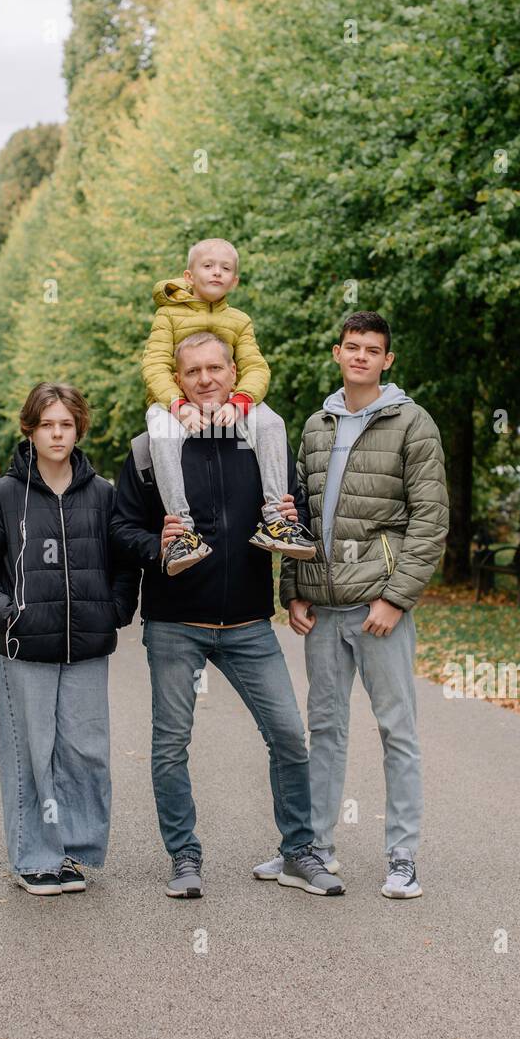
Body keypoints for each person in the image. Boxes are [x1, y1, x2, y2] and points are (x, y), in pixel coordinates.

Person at [111, 332, 344, 900]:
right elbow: (120, 530)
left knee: (290, 736)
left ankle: (297, 851)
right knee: (170, 746)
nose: (207, 379)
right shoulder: (151, 447)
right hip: (174, 621)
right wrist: (156, 546)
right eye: (193, 371)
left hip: (247, 622)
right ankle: (184, 857)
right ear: (178, 379)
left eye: (216, 368)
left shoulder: (261, 439)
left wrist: (292, 545)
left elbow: (291, 522)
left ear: (235, 371)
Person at [257, 311, 448, 899]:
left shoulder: (413, 424)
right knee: (325, 729)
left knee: (397, 730)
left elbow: (431, 521)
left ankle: (402, 858)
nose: (361, 356)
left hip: (379, 607)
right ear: (337, 353)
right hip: (324, 606)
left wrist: (396, 597)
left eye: (373, 349)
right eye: (352, 347)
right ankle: (315, 848)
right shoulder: (316, 425)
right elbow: (300, 516)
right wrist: (293, 589)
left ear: (388, 361)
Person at [0, 382, 138, 896]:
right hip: (25, 649)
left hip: (86, 649)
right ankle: (34, 856)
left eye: (66, 424)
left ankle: (72, 853)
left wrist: (115, 611)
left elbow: (124, 563)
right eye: (47, 425)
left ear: (79, 429)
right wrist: (5, 615)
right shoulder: (5, 494)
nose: (57, 434)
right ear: (31, 430)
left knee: (86, 751)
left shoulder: (103, 494)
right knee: (31, 753)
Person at [142, 238, 315, 575]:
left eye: (226, 268)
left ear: (234, 281)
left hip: (230, 401)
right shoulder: (168, 316)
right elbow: (154, 367)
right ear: (189, 275)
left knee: (271, 423)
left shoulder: (239, 320)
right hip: (174, 402)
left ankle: (278, 521)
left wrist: (240, 402)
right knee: (161, 433)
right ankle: (184, 533)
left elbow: (256, 367)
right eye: (208, 266)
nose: (217, 272)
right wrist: (178, 406)